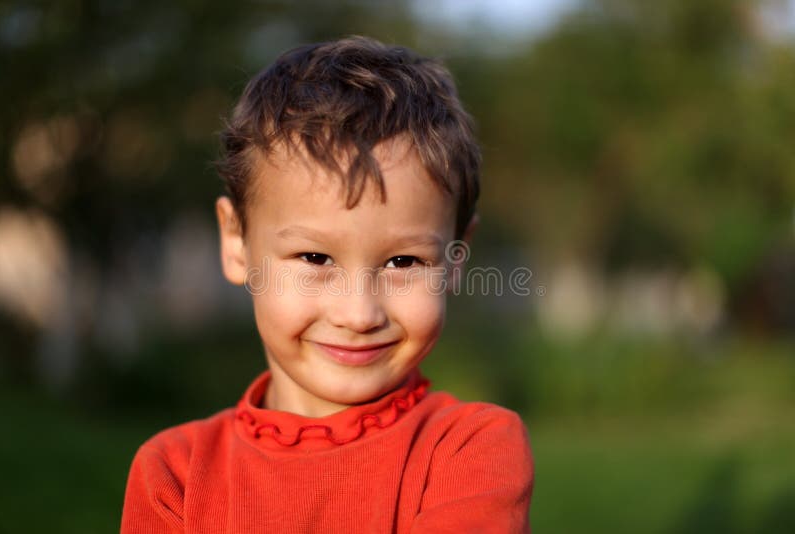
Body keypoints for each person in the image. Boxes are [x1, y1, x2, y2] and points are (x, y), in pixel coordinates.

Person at [120, 35, 534, 533]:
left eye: (403, 261)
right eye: (315, 256)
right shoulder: (174, 476)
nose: (359, 314)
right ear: (236, 243)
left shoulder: (472, 452)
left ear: (455, 257)